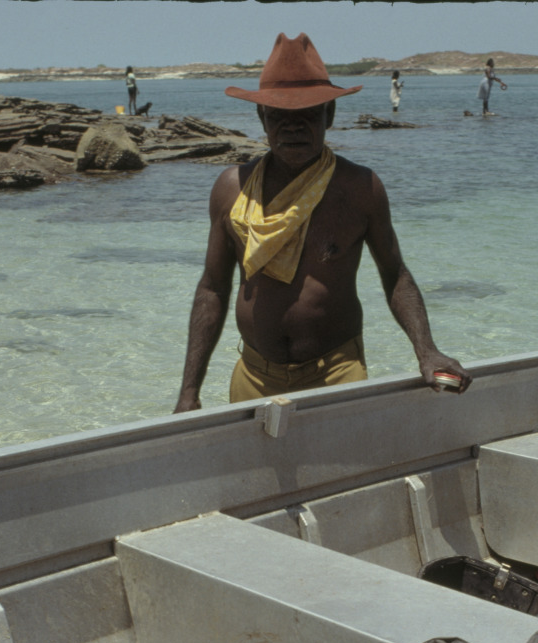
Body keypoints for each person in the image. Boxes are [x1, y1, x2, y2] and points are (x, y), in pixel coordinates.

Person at [174, 34, 469, 412]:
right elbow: (212, 289)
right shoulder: (232, 190)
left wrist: (427, 351)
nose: (294, 127)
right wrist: (188, 393)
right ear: (261, 118)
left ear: (330, 115)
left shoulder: (361, 188)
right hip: (253, 374)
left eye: (308, 116)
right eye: (280, 116)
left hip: (336, 372)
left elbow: (394, 274)